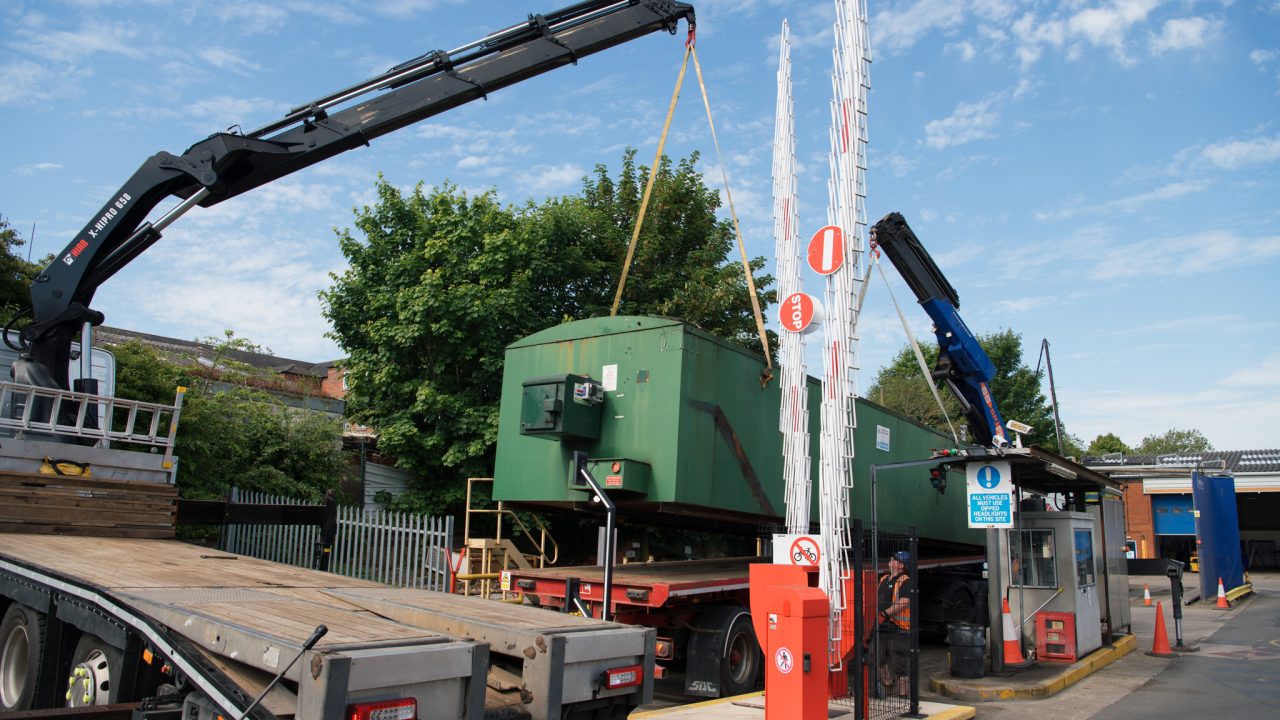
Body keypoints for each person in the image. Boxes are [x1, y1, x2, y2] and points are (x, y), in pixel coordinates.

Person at [876, 550, 913, 698]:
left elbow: (904, 602)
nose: (891, 560)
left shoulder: (905, 581)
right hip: (881, 625)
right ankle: (889, 685)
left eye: (894, 559)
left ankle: (903, 695)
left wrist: (885, 614)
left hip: (898, 627)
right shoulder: (884, 579)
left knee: (899, 661)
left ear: (901, 565)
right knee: (877, 656)